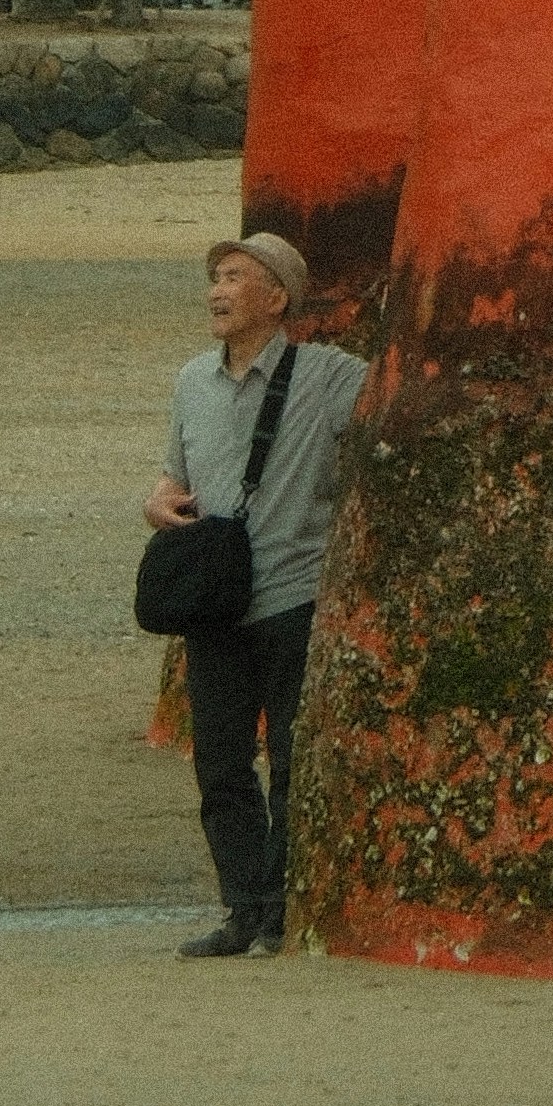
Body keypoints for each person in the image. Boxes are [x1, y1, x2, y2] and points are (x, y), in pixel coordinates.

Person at [144, 223, 369, 955]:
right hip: (216, 604)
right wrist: (158, 501)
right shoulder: (190, 382)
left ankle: (277, 909)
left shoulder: (331, 377)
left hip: (293, 592)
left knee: (294, 765)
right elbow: (176, 476)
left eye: (237, 276)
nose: (218, 289)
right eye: (217, 276)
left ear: (277, 299)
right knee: (220, 766)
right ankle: (243, 909)